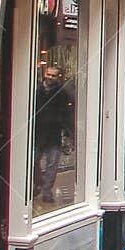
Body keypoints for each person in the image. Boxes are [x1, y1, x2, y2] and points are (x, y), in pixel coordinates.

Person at [33, 63, 73, 206]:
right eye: (48, 74)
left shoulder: (62, 93)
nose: (50, 77)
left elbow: (67, 113)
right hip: (37, 134)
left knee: (52, 164)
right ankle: (38, 183)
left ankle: (46, 191)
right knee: (33, 161)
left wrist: (68, 132)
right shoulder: (36, 90)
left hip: (54, 134)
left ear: (58, 77)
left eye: (53, 75)